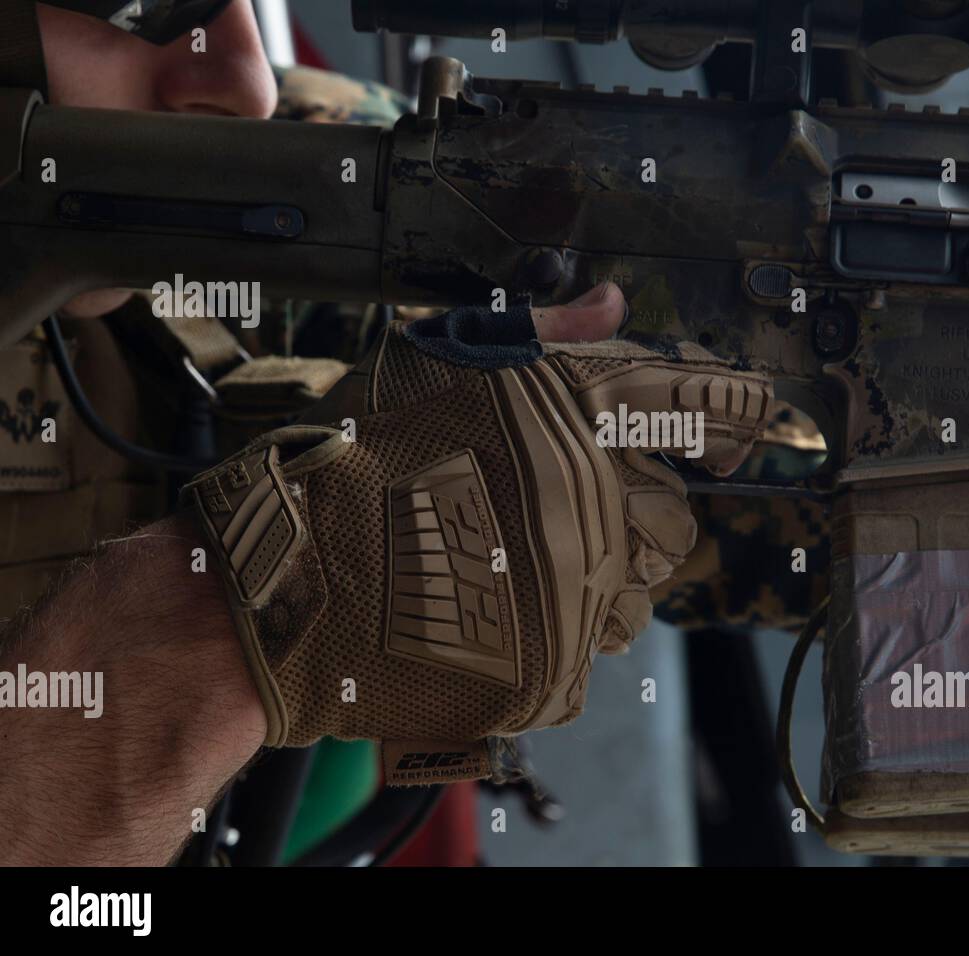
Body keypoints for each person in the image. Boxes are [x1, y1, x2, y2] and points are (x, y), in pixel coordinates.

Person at [0, 1, 776, 866]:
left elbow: (746, 496)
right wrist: (237, 619)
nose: (241, 84)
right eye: (137, 2)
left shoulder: (328, 172)